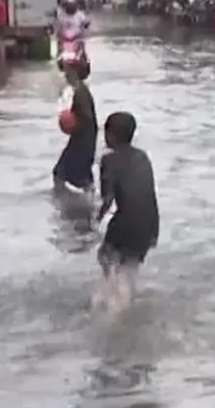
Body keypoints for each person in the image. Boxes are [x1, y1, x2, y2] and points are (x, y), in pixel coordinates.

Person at [94, 111, 159, 312]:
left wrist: (96, 219)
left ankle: (112, 302)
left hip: (127, 222)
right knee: (130, 264)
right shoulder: (142, 156)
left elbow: (108, 199)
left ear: (111, 135)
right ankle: (130, 295)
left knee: (105, 255)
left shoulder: (109, 161)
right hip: (151, 224)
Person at [53, 59, 97, 192]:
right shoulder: (80, 89)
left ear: (74, 73)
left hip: (83, 140)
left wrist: (73, 123)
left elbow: (87, 117)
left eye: (67, 72)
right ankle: (68, 202)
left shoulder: (80, 91)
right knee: (63, 173)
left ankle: (84, 205)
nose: (65, 75)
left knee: (66, 174)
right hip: (82, 138)